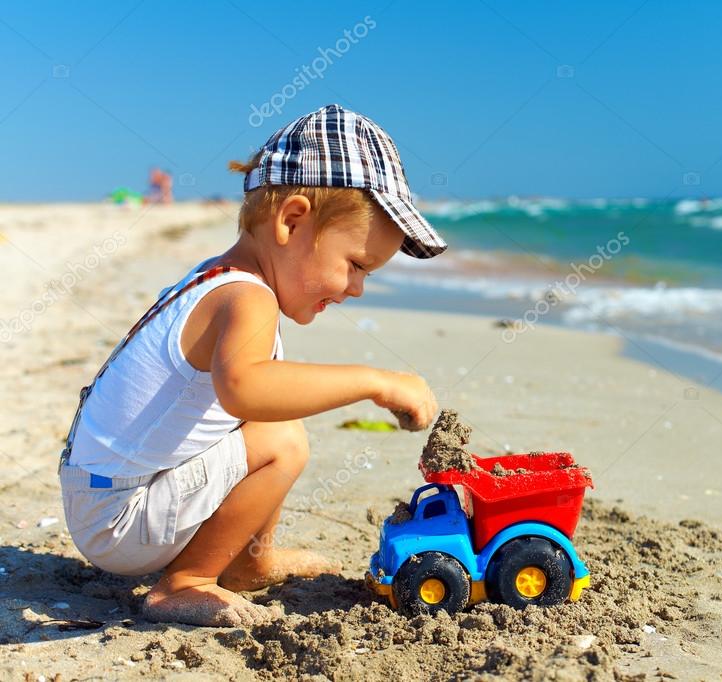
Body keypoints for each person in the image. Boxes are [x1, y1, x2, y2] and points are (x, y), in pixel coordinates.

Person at [58, 105, 445, 626]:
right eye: (355, 265)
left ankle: (247, 562)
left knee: (269, 422)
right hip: (119, 520)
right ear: (291, 220)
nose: (356, 288)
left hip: (105, 499)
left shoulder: (217, 277)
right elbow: (245, 389)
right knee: (281, 438)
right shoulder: (247, 298)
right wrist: (375, 381)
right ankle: (186, 582)